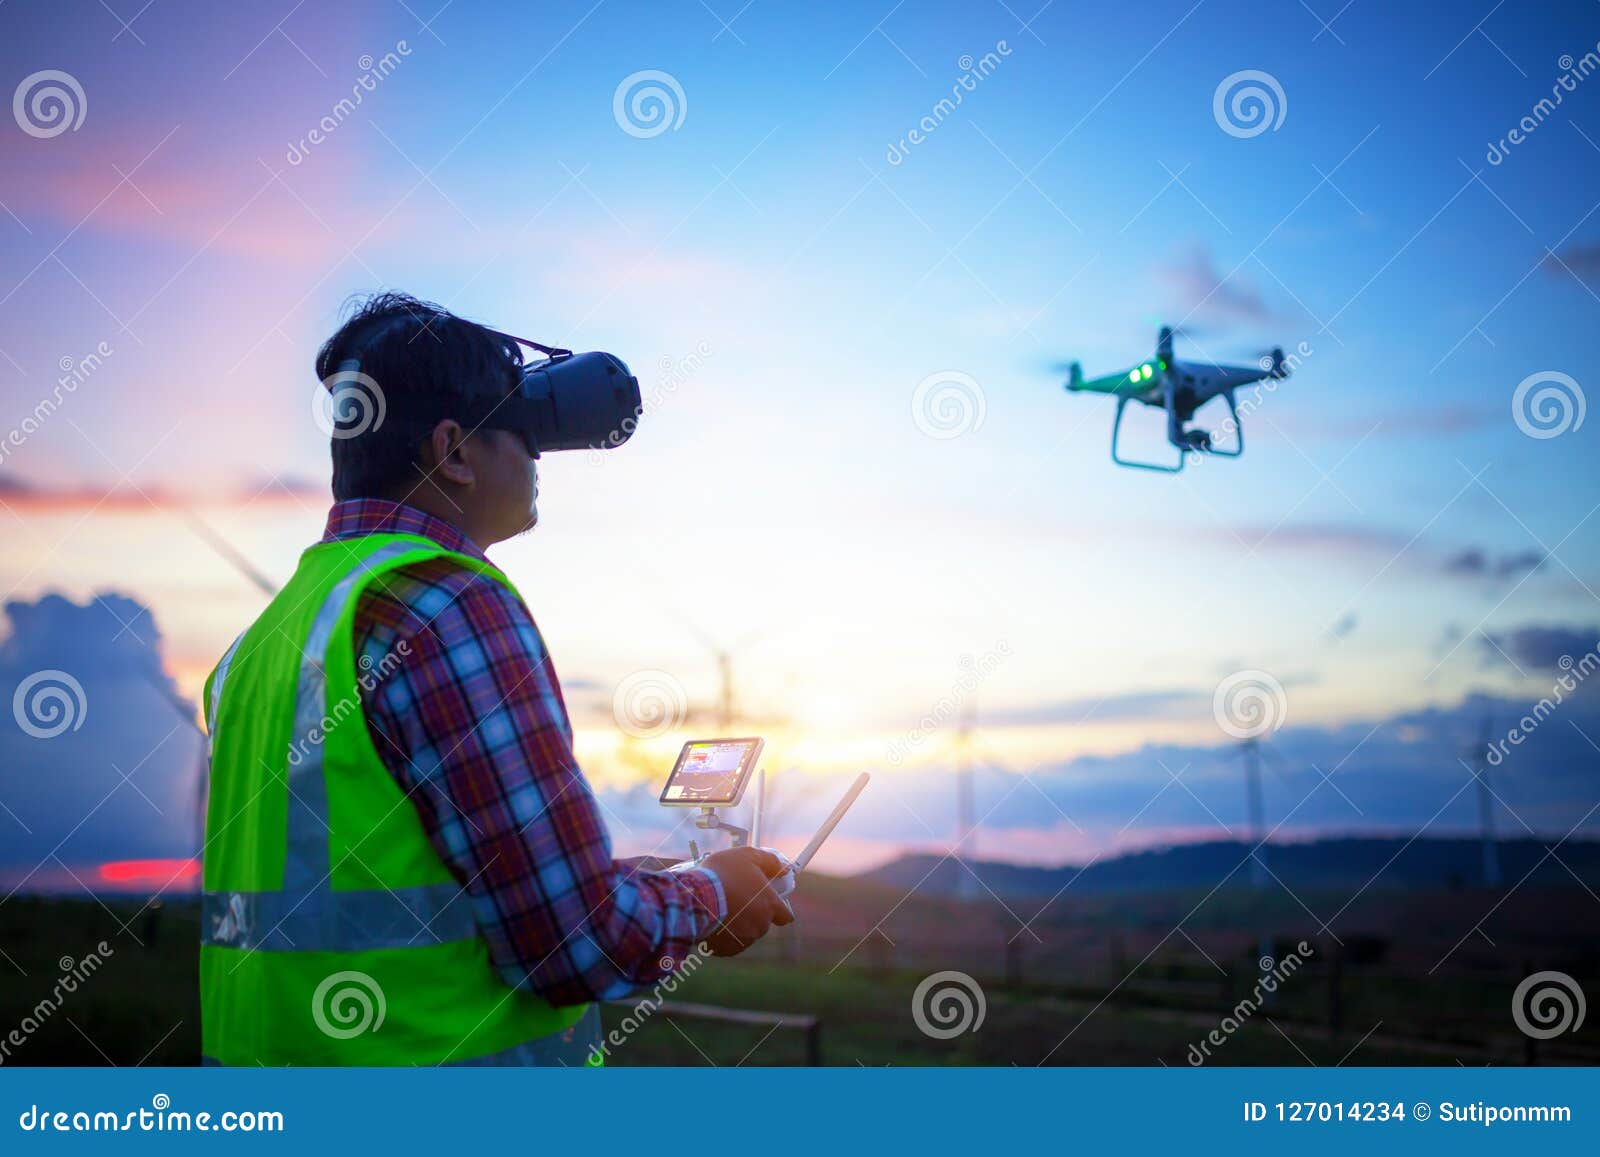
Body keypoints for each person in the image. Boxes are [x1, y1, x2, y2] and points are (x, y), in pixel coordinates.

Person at [199, 293, 792, 1066]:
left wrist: (632, 879)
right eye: (524, 432)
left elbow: (401, 881)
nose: (537, 460)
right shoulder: (447, 606)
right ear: (453, 451)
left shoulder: (259, 644)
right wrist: (714, 894)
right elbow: (574, 943)